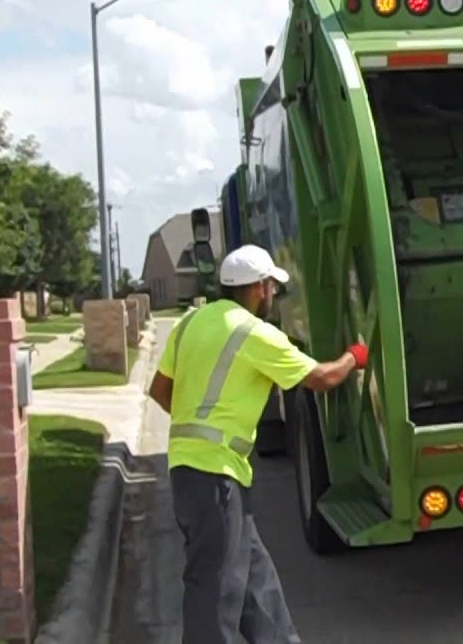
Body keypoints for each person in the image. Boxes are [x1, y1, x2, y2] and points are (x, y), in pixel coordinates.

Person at [147, 243, 367, 644]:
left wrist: (196, 425)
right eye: (272, 289)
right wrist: (357, 355)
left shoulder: (190, 323)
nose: (273, 296)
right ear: (260, 288)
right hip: (215, 477)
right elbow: (322, 378)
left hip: (193, 472)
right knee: (216, 587)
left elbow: (160, 390)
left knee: (252, 574)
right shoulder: (254, 333)